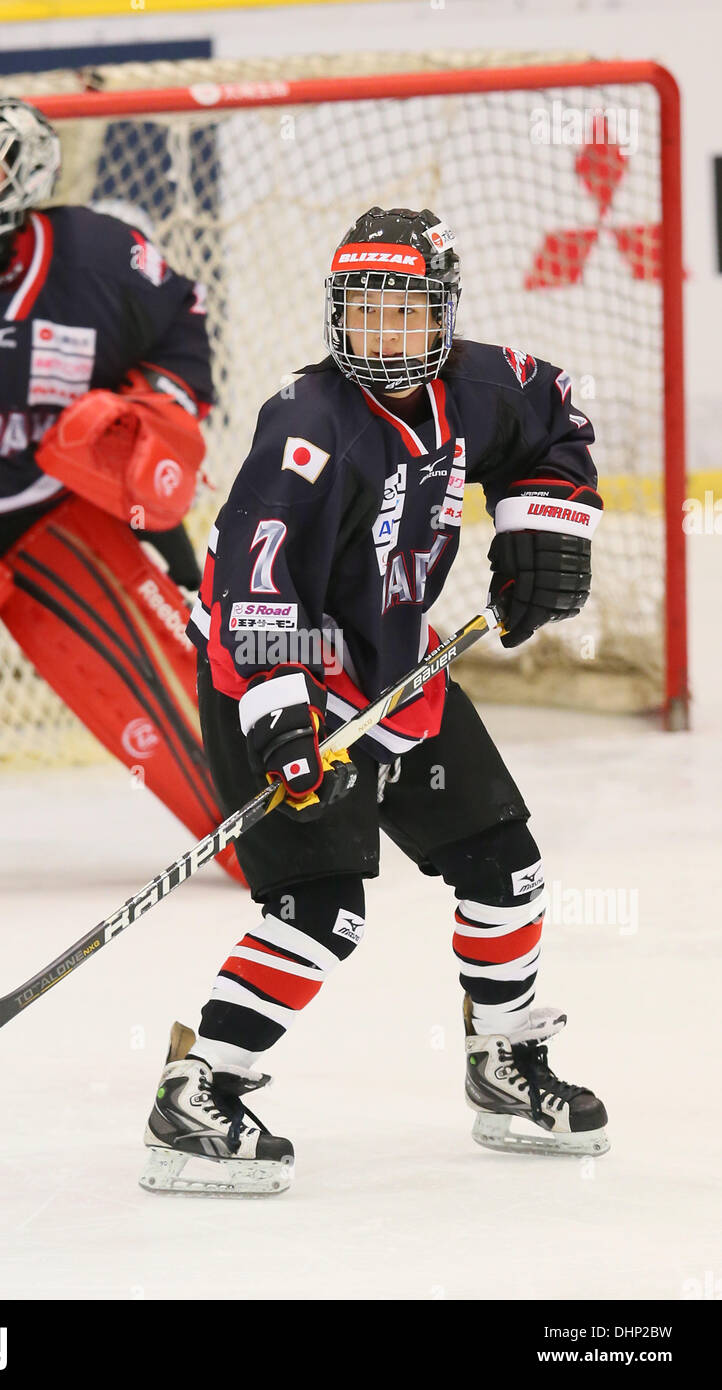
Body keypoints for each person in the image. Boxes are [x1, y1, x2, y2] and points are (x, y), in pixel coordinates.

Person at [140, 206, 611, 1196]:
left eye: (401, 310)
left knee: (503, 868)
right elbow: (252, 583)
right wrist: (279, 717)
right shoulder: (307, 425)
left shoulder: (480, 386)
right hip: (270, 671)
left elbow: (554, 418)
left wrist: (540, 524)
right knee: (319, 908)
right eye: (360, 308)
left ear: (440, 311)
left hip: (396, 667)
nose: (379, 333)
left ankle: (503, 1062)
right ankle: (199, 1088)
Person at [0, 89, 242, 882]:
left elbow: (184, 322)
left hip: (61, 514)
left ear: (25, 169)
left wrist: (152, 410)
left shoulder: (103, 257)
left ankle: (280, 831)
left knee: (200, 731)